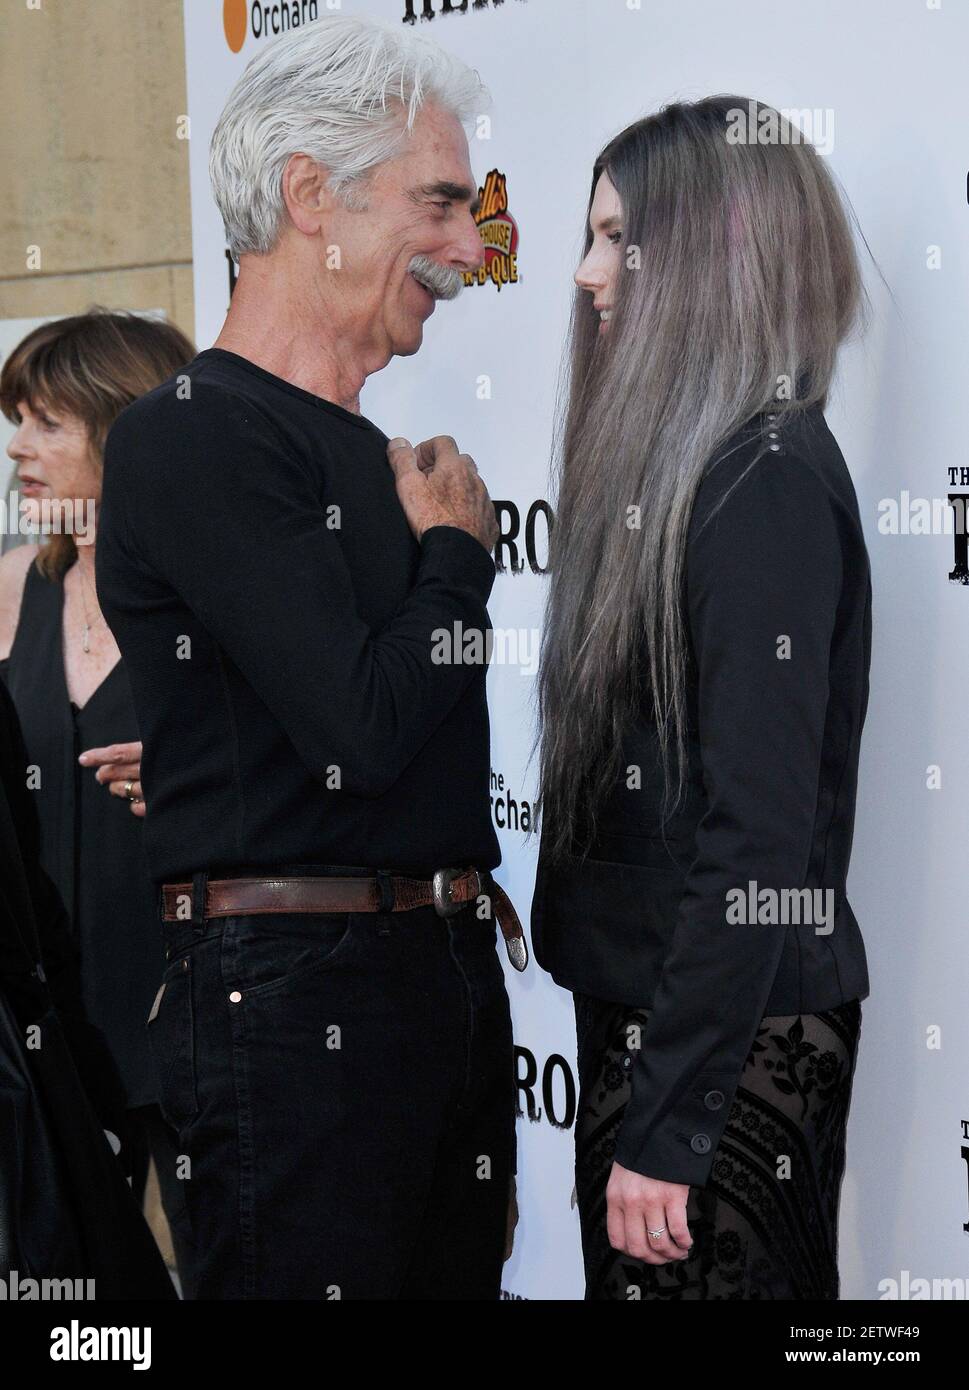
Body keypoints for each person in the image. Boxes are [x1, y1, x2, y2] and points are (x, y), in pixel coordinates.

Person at [95, 16, 521, 1301]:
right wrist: (454, 556)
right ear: (307, 195)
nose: (468, 248)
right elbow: (360, 728)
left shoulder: (362, 451)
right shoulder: (195, 435)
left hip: (432, 983)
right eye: (438, 204)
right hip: (294, 1017)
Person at [531, 96, 872, 1300]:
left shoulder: (759, 479)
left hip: (718, 1053)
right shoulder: (709, 469)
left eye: (613, 237)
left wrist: (672, 1124)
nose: (583, 275)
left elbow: (757, 836)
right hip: (671, 1026)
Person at [0, 308, 199, 1294]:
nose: (17, 449)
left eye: (47, 423)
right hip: (54, 1034)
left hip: (192, 1013)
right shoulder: (9, 591)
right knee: (80, 1295)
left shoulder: (210, 602)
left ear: (126, 427)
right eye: (16, 421)